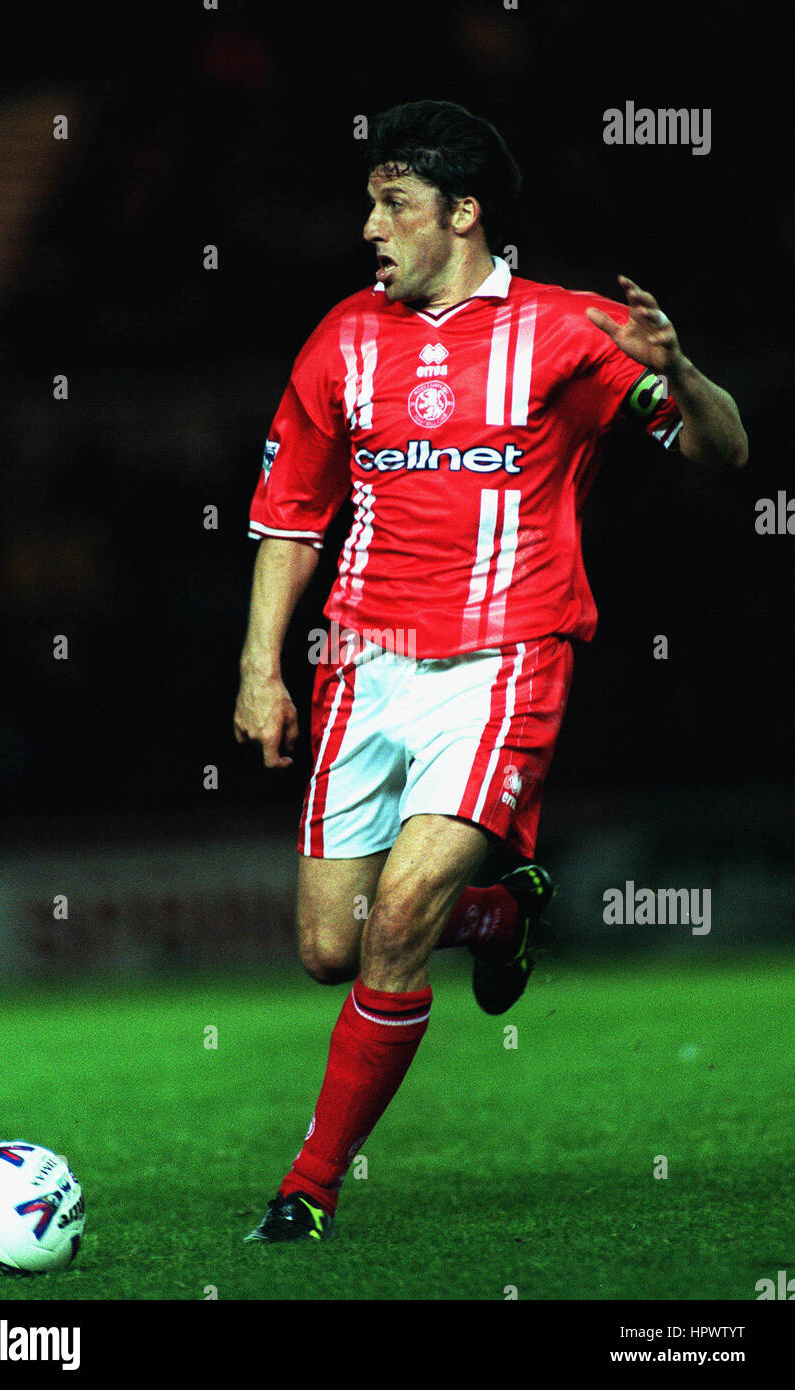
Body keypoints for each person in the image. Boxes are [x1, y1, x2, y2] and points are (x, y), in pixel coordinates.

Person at [233, 100, 748, 1244]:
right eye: (371, 200)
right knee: (330, 947)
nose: (368, 225)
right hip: (362, 665)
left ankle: (307, 1185)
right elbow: (288, 518)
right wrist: (261, 666)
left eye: (392, 203)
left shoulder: (571, 331)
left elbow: (722, 450)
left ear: (462, 214)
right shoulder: (341, 339)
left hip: (503, 661)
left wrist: (686, 374)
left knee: (394, 917)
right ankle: (494, 914)